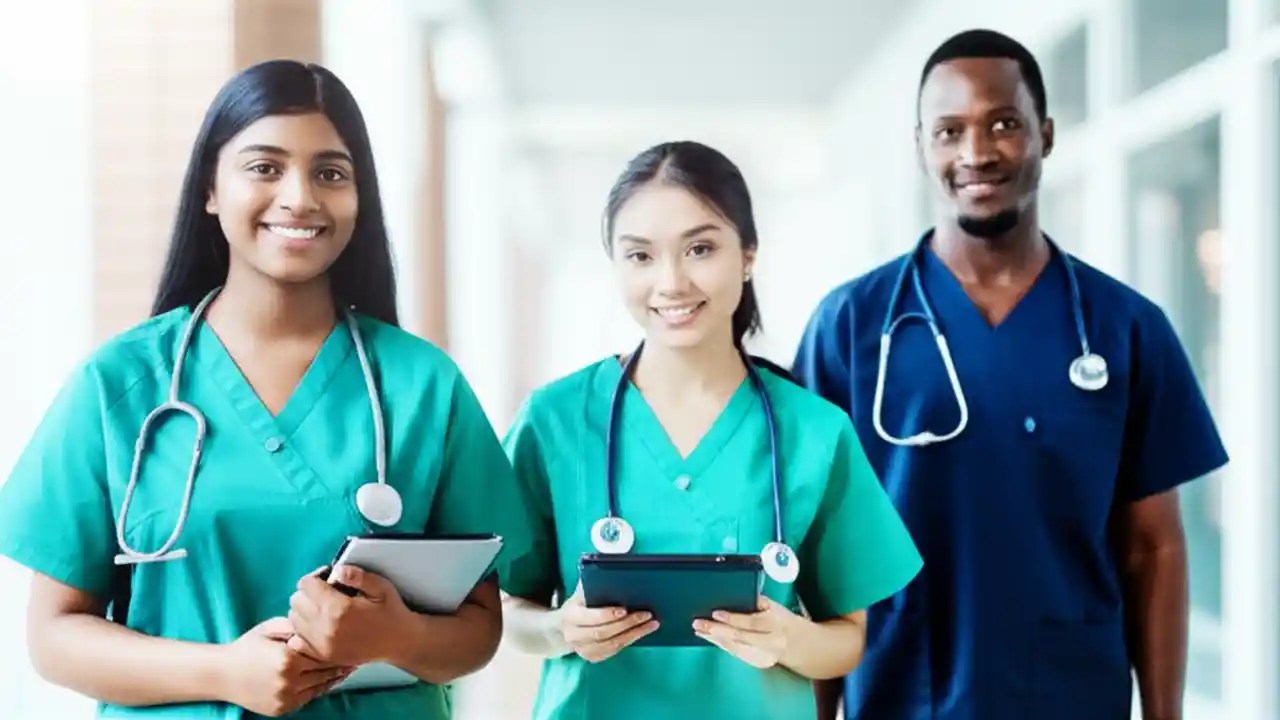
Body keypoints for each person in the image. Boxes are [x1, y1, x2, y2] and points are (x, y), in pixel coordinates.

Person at [0, 60, 532, 719]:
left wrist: (400, 635)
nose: (300, 197)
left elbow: (479, 629)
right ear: (210, 190)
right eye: (264, 167)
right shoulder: (121, 384)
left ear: (359, 198)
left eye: (331, 173)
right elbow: (53, 636)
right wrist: (223, 672)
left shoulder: (423, 386)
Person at [793, 29, 1229, 720]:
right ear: (920, 148)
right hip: (902, 697)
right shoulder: (849, 326)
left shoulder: (1126, 329)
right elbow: (817, 549)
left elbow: (1155, 547)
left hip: (1071, 698)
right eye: (949, 130)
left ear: (1045, 133)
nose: (977, 152)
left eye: (1004, 123)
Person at [499, 140, 922, 720]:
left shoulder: (813, 431)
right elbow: (504, 607)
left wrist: (789, 640)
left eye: (700, 248)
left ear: (748, 254)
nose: (671, 282)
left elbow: (848, 638)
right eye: (641, 256)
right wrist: (559, 628)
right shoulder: (555, 421)